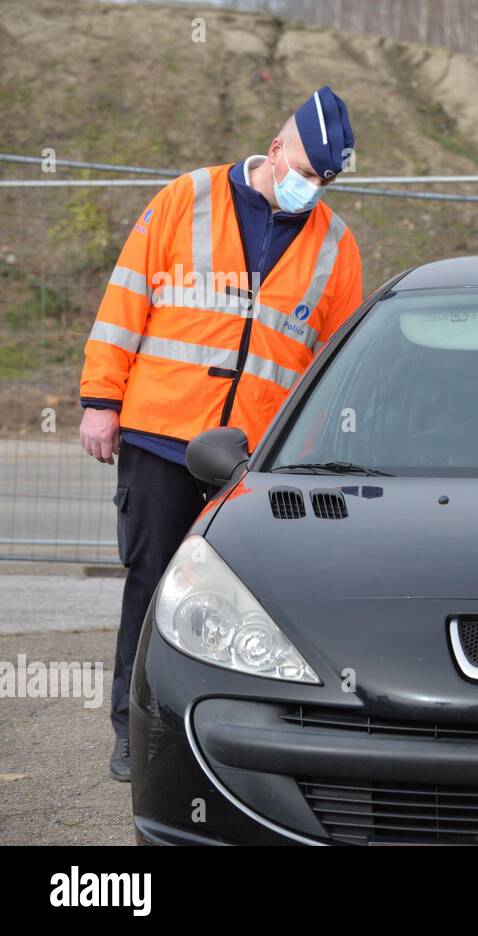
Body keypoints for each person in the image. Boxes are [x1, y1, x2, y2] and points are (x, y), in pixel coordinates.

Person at [78, 87, 363, 781]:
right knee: (151, 588)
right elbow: (127, 298)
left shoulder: (336, 245)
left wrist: (318, 450)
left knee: (248, 600)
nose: (311, 188)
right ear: (275, 149)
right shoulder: (188, 198)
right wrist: (99, 399)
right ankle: (136, 733)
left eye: (325, 179)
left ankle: (231, 734)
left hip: (255, 460)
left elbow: (341, 363)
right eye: (304, 170)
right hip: (160, 436)